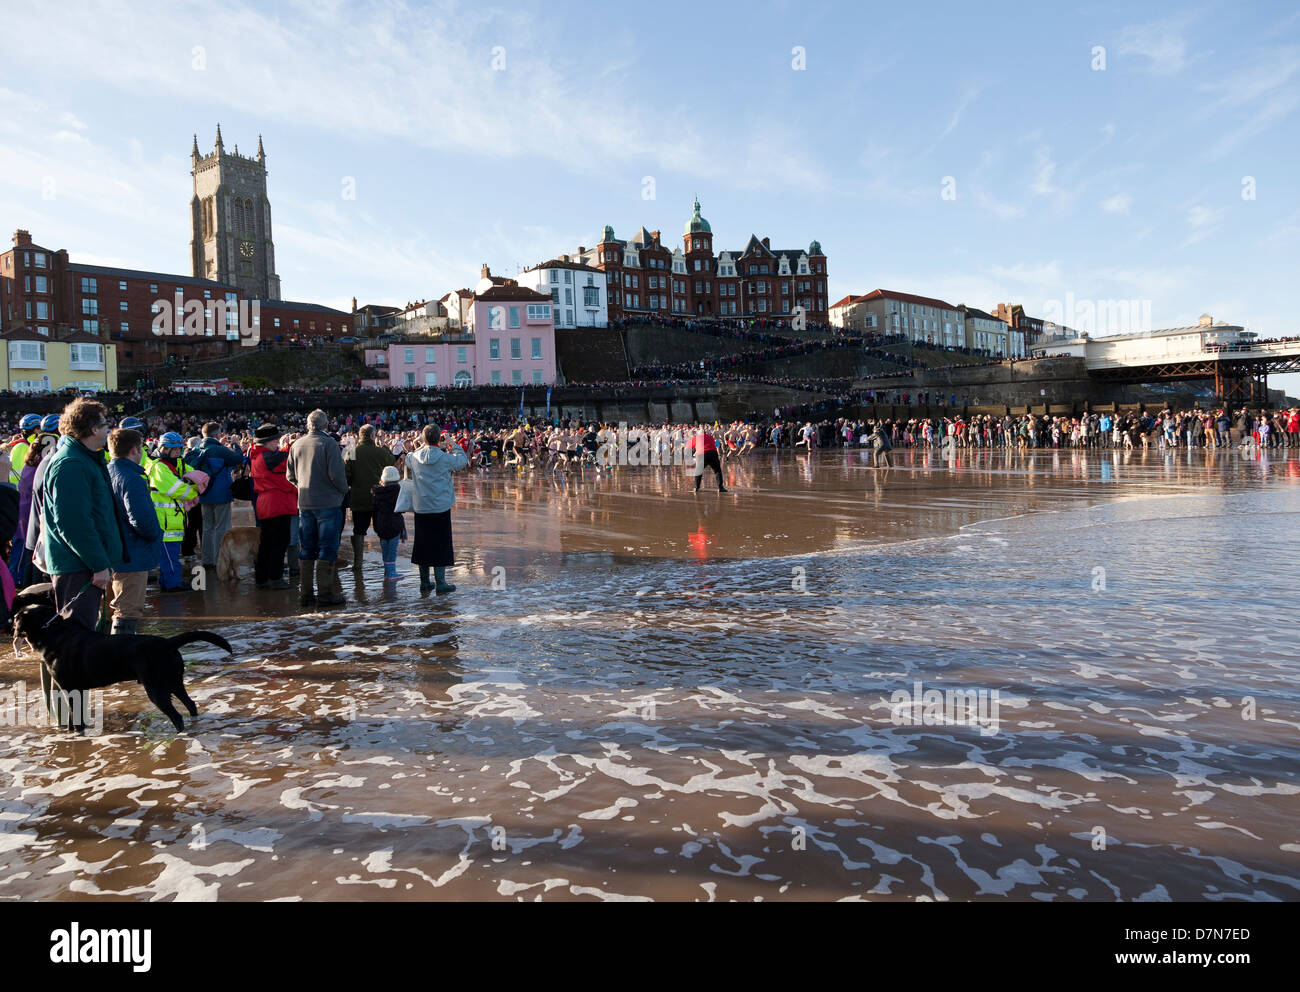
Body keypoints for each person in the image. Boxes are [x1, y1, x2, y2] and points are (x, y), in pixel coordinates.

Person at [39, 398, 122, 631]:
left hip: (82, 563)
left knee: (85, 640)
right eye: (106, 425)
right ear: (93, 429)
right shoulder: (71, 464)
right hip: (78, 566)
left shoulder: (82, 458)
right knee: (77, 639)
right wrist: (97, 564)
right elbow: (73, 523)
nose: (109, 430)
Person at [286, 409, 349, 607]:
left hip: (305, 502)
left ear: (308, 424)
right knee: (327, 548)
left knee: (307, 548)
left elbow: (290, 476)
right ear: (325, 425)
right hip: (328, 502)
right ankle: (324, 595)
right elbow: (337, 475)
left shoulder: (296, 444)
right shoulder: (329, 443)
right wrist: (342, 491)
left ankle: (305, 595)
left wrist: (304, 488)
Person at [107, 427, 163, 634]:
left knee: (112, 608)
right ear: (134, 450)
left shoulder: (107, 472)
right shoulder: (131, 478)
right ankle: (122, 658)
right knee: (128, 610)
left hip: (113, 550)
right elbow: (141, 520)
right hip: (132, 553)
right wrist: (154, 535)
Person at [406, 425, 468, 593]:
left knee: (422, 544)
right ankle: (440, 583)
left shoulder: (414, 457)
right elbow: (462, 460)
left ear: (424, 438)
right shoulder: (444, 457)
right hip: (440, 506)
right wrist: (452, 443)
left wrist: (420, 443)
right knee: (441, 543)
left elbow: (407, 457)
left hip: (421, 507)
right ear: (438, 439)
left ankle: (424, 582)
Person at [146, 432, 199, 592]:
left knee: (171, 555)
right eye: (175, 449)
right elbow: (177, 490)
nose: (178, 452)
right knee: (169, 557)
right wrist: (193, 490)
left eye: (180, 449)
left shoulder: (177, 464)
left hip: (173, 519)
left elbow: (196, 477)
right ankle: (171, 584)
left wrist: (194, 485)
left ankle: (169, 581)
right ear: (164, 448)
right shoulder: (159, 466)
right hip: (164, 521)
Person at [190, 421, 244, 570]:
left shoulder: (198, 448)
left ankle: (207, 560)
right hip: (220, 493)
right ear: (217, 434)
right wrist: (235, 444)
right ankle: (220, 559)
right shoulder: (219, 450)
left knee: (207, 527)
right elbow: (238, 458)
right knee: (222, 527)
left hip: (204, 493)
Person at [249, 423, 296, 589]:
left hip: (266, 503)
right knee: (279, 542)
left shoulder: (258, 455)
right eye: (275, 441)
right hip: (277, 502)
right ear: (268, 442)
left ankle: (261, 578)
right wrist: (291, 445)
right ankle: (275, 578)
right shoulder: (268, 457)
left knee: (267, 542)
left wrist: (287, 445)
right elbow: (288, 459)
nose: (277, 443)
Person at [345, 423, 395, 571]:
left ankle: (357, 563)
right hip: (378, 497)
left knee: (359, 530)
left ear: (360, 436)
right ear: (373, 436)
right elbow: (391, 461)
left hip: (359, 497)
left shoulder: (351, 451)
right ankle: (388, 565)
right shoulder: (379, 451)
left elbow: (346, 475)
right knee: (382, 530)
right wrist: (384, 445)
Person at [370, 464, 406, 582]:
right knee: (392, 550)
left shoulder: (377, 492)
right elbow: (402, 509)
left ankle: (387, 571)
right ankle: (391, 573)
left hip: (380, 524)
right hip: (394, 524)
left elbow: (374, 510)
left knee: (385, 548)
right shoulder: (398, 492)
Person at [687, 427, 727, 493]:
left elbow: (688, 446)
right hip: (713, 453)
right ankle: (720, 487)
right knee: (717, 471)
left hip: (702, 454)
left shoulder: (697, 438)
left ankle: (696, 487)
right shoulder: (710, 437)